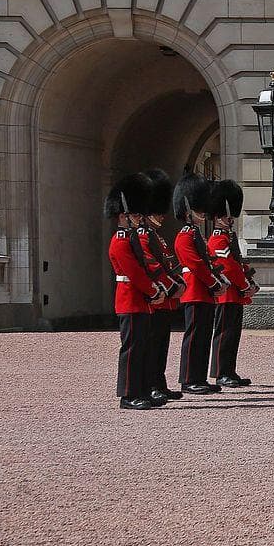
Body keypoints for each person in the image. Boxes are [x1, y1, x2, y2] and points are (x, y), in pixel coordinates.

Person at [106, 172, 166, 410]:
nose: (140, 219)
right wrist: (153, 290)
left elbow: (144, 269)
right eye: (136, 215)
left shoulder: (131, 238)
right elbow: (134, 272)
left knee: (142, 348)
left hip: (140, 300)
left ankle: (141, 390)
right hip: (130, 300)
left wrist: (154, 289)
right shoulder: (120, 241)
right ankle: (128, 394)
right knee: (131, 349)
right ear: (123, 215)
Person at [172, 172, 227, 394]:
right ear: (188, 211)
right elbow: (195, 264)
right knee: (194, 336)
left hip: (204, 290)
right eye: (198, 210)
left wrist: (218, 280)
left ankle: (199, 377)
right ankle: (188, 379)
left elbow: (209, 261)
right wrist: (214, 283)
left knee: (203, 336)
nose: (203, 214)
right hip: (195, 290)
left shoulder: (197, 235)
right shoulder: (185, 236)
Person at [208, 179, 259, 388]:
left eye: (230, 217)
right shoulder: (218, 239)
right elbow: (228, 267)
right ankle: (221, 372)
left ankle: (229, 370)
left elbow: (238, 263)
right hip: (227, 292)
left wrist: (249, 282)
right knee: (224, 334)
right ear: (217, 217)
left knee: (233, 334)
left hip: (235, 293)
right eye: (226, 217)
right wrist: (245, 286)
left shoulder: (229, 237)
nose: (229, 220)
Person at [140, 168, 185, 402]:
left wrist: (177, 281)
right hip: (156, 298)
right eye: (158, 212)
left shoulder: (157, 237)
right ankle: (151, 384)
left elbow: (168, 263)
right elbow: (151, 266)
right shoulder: (142, 236)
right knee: (152, 345)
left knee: (162, 344)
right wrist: (171, 285)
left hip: (165, 299)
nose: (162, 216)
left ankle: (159, 382)